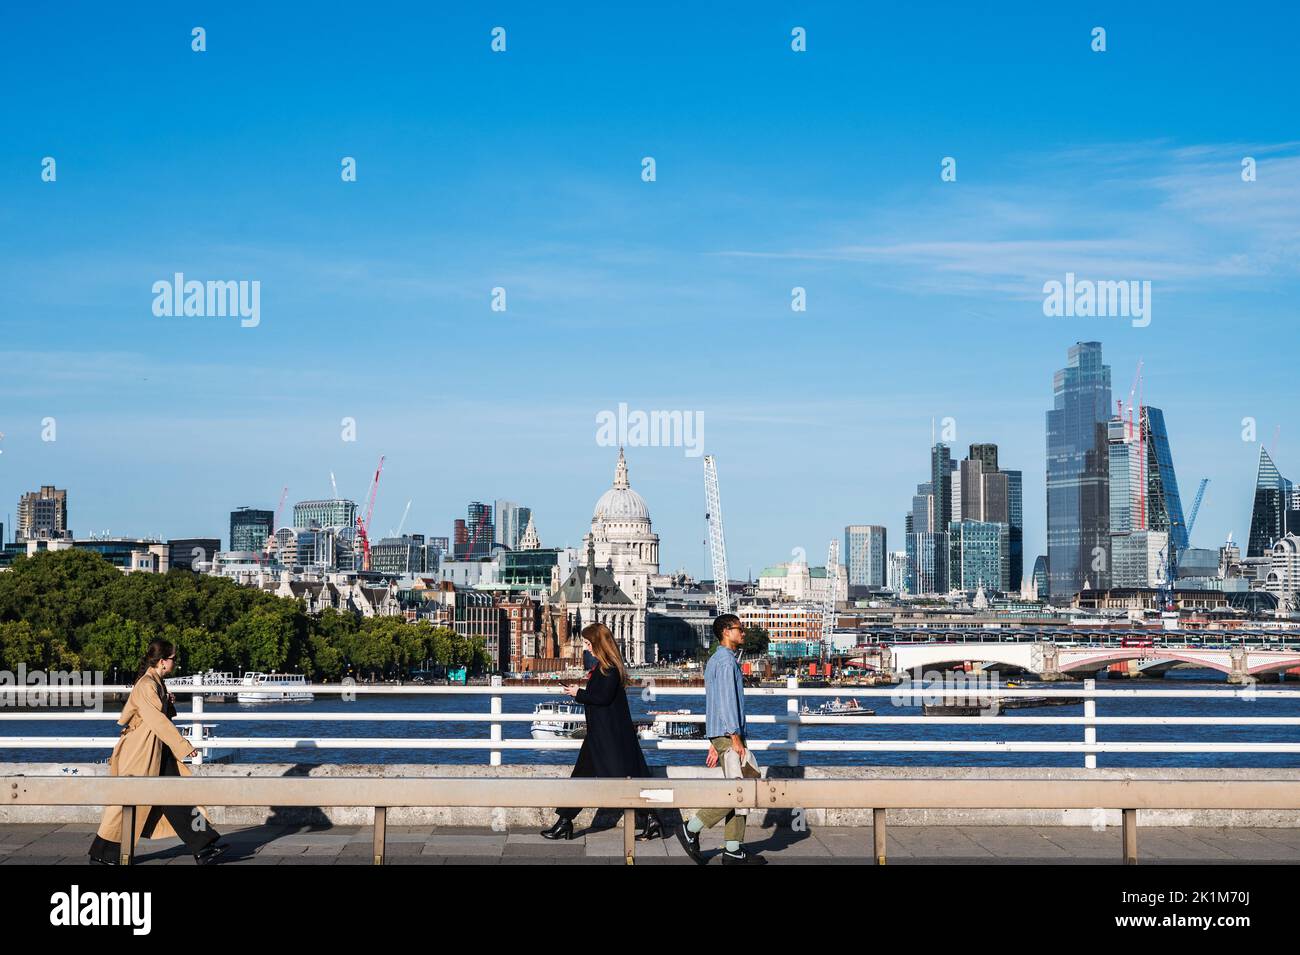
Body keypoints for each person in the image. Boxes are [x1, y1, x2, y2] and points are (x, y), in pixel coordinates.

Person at [88, 639, 228, 865]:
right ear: (163, 661)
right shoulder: (147, 685)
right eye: (173, 659)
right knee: (127, 803)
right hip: (141, 752)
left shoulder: (155, 682)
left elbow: (158, 715)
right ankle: (102, 854)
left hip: (154, 749)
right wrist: (184, 746)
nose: (175, 663)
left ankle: (204, 846)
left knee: (175, 797)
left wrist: (167, 701)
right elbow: (157, 721)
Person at [539, 622, 664, 841]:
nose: (585, 648)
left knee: (627, 779)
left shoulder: (609, 669)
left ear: (597, 643)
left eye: (588, 643)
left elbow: (602, 698)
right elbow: (601, 697)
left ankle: (652, 820)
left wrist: (578, 693)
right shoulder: (605, 667)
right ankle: (564, 822)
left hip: (609, 738)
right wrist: (579, 692)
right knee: (583, 778)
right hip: (600, 735)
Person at [676, 613, 766, 865]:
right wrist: (733, 737)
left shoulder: (715, 660)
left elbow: (713, 702)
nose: (744, 633)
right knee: (740, 791)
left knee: (742, 788)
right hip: (730, 736)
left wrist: (715, 740)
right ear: (727, 631)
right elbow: (726, 703)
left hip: (722, 736)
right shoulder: (726, 662)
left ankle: (733, 849)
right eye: (740, 629)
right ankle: (691, 828)